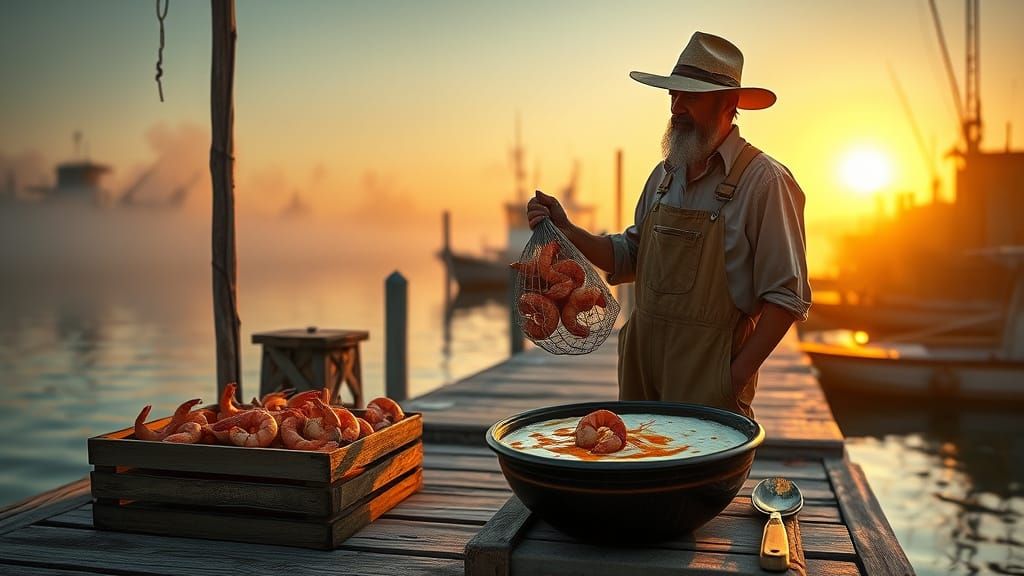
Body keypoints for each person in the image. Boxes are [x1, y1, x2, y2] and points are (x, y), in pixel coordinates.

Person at [526, 31, 811, 418]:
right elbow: (629, 256)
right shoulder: (664, 175)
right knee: (640, 474)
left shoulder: (765, 182)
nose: (677, 107)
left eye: (690, 96)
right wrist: (568, 230)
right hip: (641, 372)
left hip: (708, 378)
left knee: (703, 478)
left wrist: (732, 379)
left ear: (728, 104)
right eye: (673, 95)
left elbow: (787, 298)